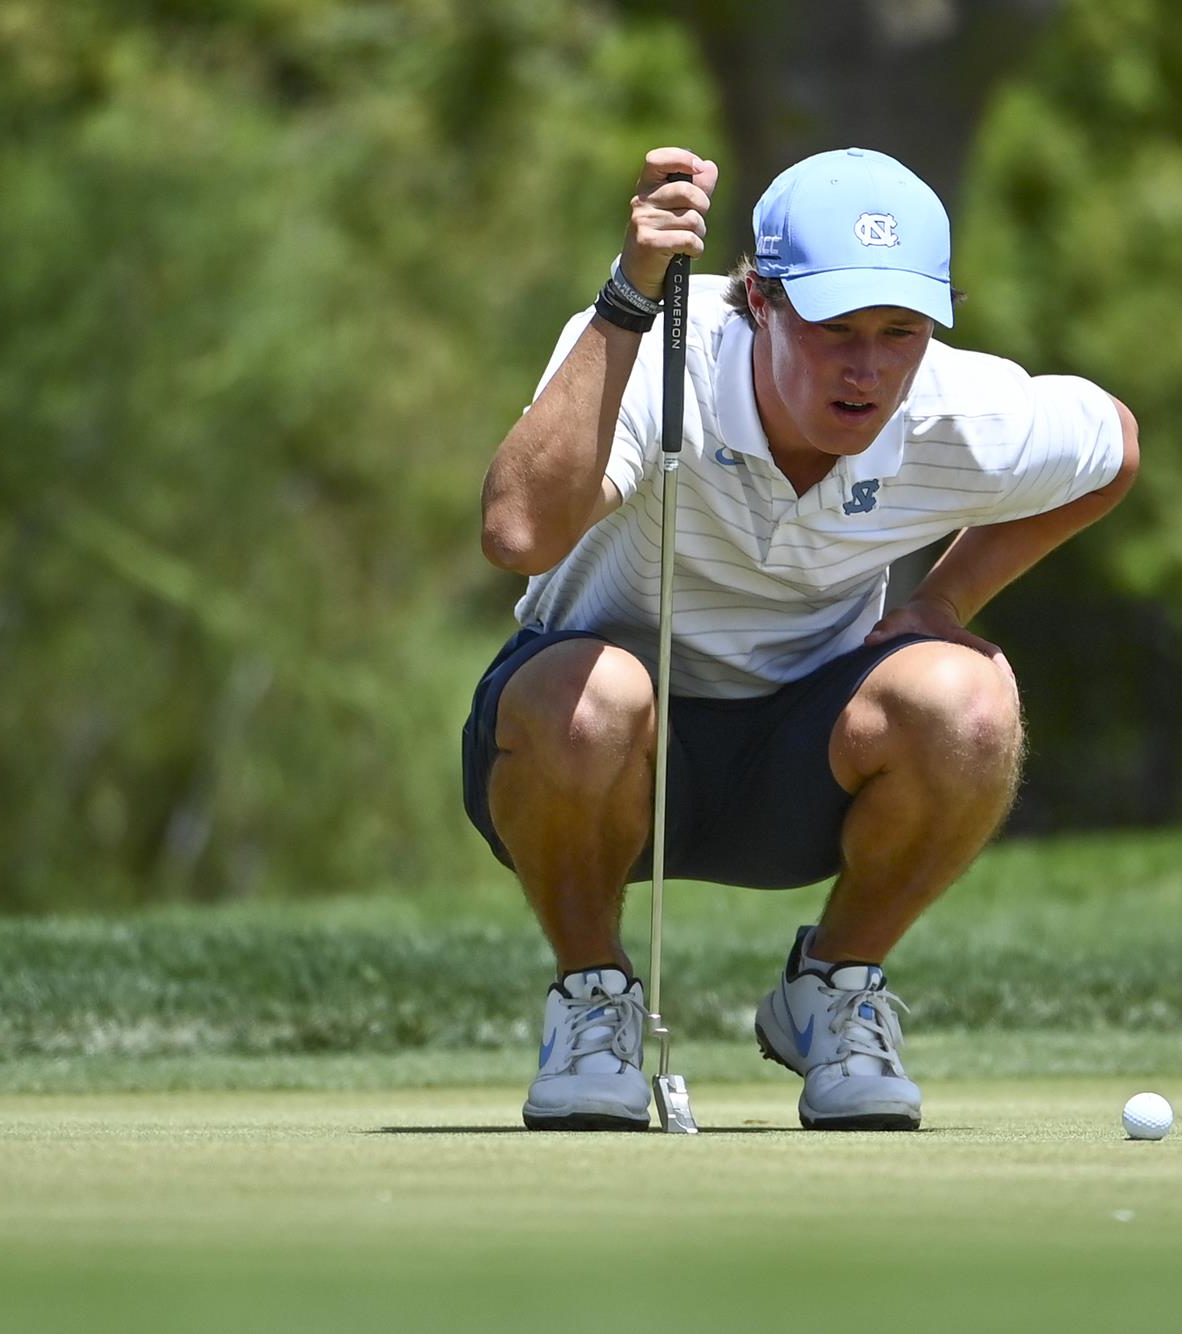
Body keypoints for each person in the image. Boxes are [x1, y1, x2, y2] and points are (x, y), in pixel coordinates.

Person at [463, 144, 1139, 1131]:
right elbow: (516, 532)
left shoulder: (957, 409)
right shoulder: (651, 354)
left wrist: (946, 602)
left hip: (799, 770)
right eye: (835, 329)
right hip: (593, 756)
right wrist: (626, 297)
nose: (867, 368)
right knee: (596, 697)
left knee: (969, 700)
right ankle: (592, 998)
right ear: (758, 302)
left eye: (899, 331)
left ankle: (831, 985)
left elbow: (1111, 448)